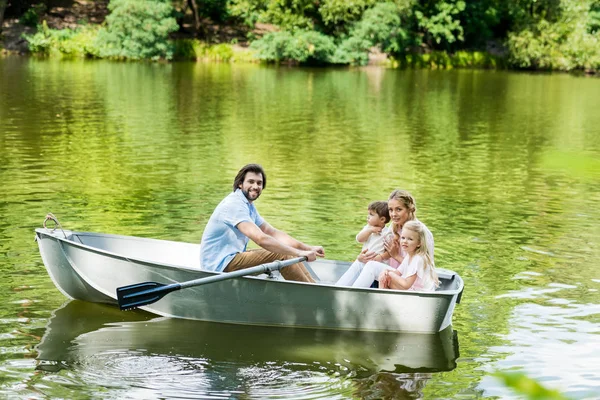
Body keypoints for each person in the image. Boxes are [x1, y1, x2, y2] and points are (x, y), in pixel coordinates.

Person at [200, 163, 324, 283]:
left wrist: (307, 248)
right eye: (251, 181)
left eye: (259, 183)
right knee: (281, 253)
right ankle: (313, 296)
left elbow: (272, 232)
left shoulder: (248, 205)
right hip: (218, 265)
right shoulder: (234, 205)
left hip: (230, 258)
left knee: (286, 252)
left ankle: (314, 288)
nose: (255, 186)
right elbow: (261, 239)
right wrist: (299, 253)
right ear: (240, 184)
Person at [350, 189, 434, 288]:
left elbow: (421, 268)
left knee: (371, 266)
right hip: (396, 276)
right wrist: (362, 258)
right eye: (391, 210)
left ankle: (351, 295)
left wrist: (395, 256)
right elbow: (381, 254)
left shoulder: (421, 232)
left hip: (412, 283)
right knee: (360, 263)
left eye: (399, 209)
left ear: (409, 209)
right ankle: (339, 290)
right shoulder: (394, 228)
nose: (393, 214)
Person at [336, 201, 391, 286]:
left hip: (377, 264)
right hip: (364, 261)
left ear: (382, 219)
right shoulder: (368, 228)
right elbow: (359, 239)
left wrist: (380, 257)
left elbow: (390, 252)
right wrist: (370, 230)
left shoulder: (387, 233)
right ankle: (339, 286)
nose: (368, 216)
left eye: (371, 214)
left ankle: (354, 291)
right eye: (368, 214)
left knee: (363, 266)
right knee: (357, 264)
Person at [378, 220, 439, 291]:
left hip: (421, 294)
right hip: (413, 290)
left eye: (410, 239)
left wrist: (390, 274)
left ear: (419, 243)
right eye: (403, 238)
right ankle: (382, 299)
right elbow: (398, 273)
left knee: (388, 278)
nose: (405, 241)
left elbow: (406, 284)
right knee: (384, 277)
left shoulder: (418, 258)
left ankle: (380, 299)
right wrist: (386, 271)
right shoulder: (409, 256)